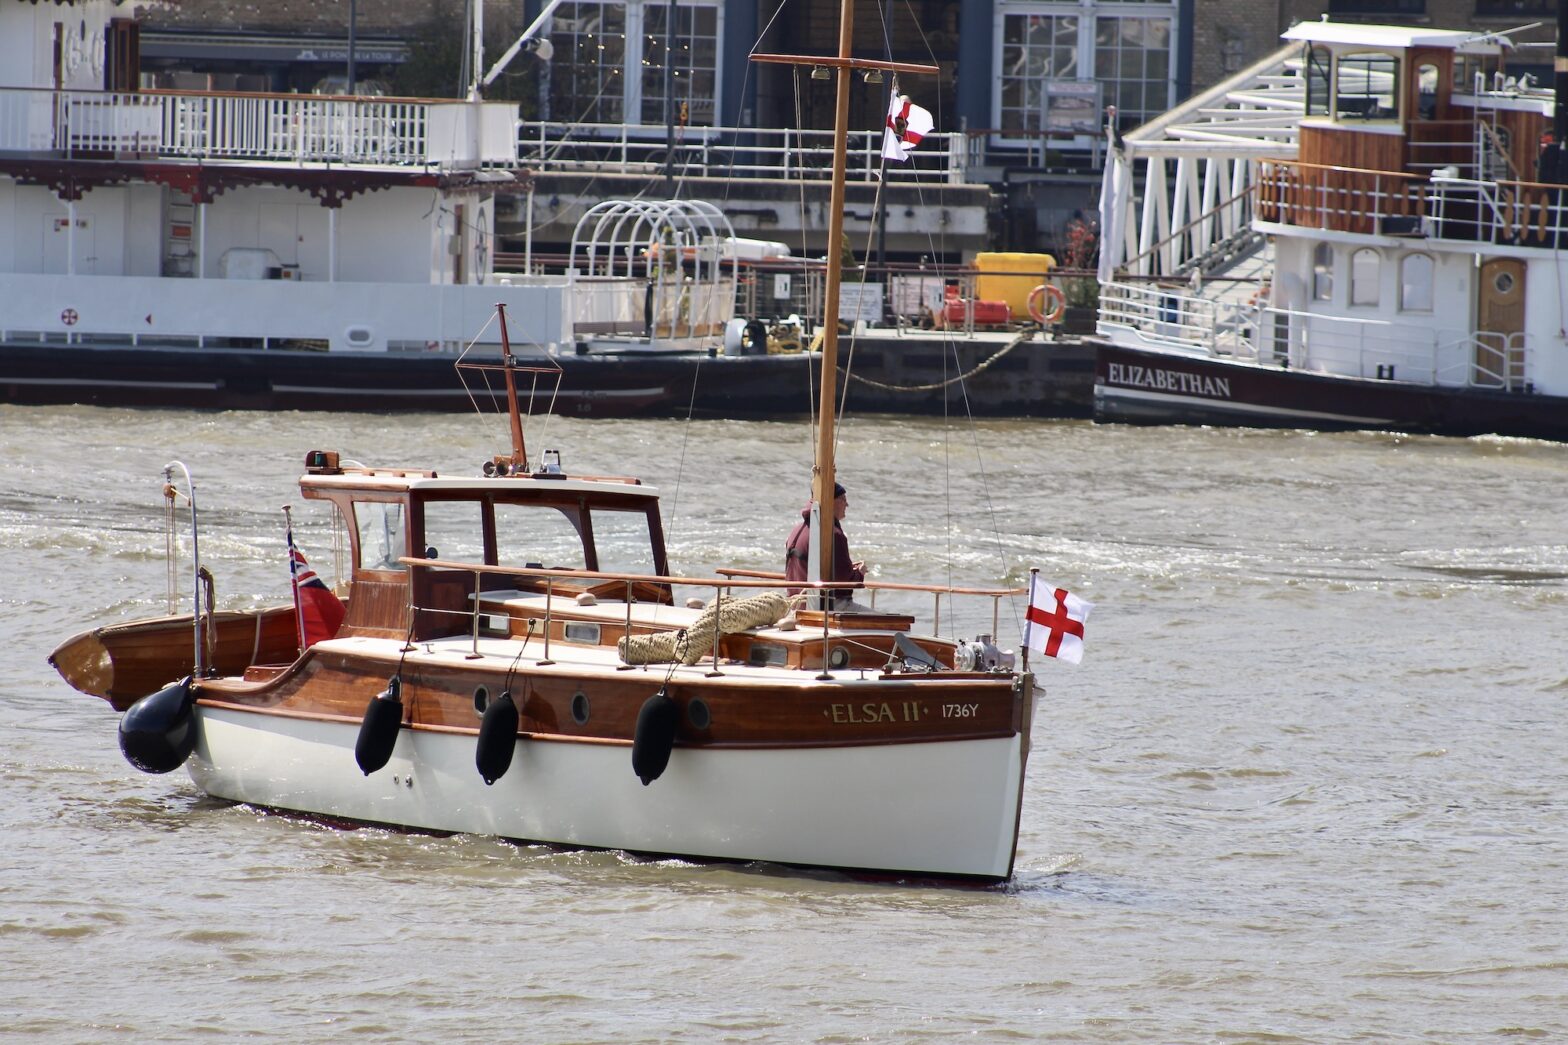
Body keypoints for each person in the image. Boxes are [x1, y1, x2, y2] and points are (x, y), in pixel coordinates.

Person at [784, 482, 871, 613]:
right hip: (828, 607)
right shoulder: (833, 534)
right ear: (832, 501)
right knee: (892, 624)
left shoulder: (796, 531)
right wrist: (860, 573)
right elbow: (844, 581)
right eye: (843, 499)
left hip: (796, 606)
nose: (847, 504)